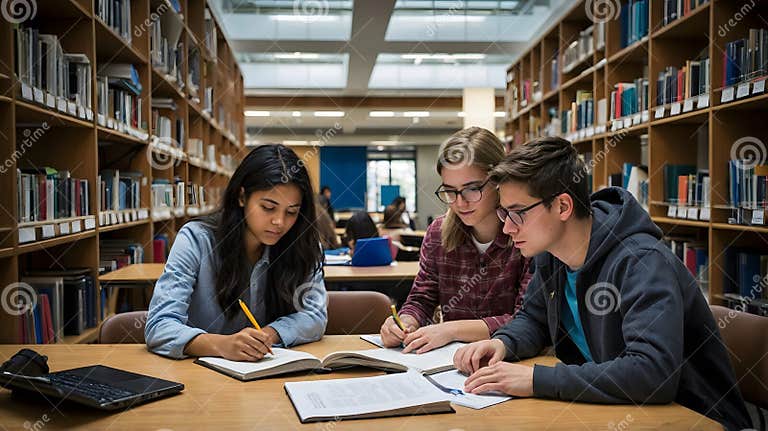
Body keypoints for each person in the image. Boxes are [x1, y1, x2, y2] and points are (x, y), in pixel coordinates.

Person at [453, 137, 751, 431]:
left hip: (695, 417)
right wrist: (502, 342)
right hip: (622, 409)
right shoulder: (551, 254)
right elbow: (534, 319)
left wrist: (535, 380)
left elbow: (651, 373)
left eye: (517, 213)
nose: (506, 227)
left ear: (562, 206)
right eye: (503, 213)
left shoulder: (642, 262)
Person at [145, 144, 327, 361]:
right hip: (199, 378)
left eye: (291, 212)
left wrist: (268, 336)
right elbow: (159, 325)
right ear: (242, 197)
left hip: (272, 378)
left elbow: (314, 316)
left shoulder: (303, 245)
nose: (279, 222)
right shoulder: (195, 240)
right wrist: (220, 344)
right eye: (268, 207)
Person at [380, 127, 532, 354]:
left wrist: (451, 330)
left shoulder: (527, 235)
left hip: (511, 359)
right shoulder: (437, 233)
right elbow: (422, 298)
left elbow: (527, 319)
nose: (460, 203)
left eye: (472, 189)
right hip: (448, 364)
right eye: (450, 191)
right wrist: (405, 321)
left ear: (498, 181)